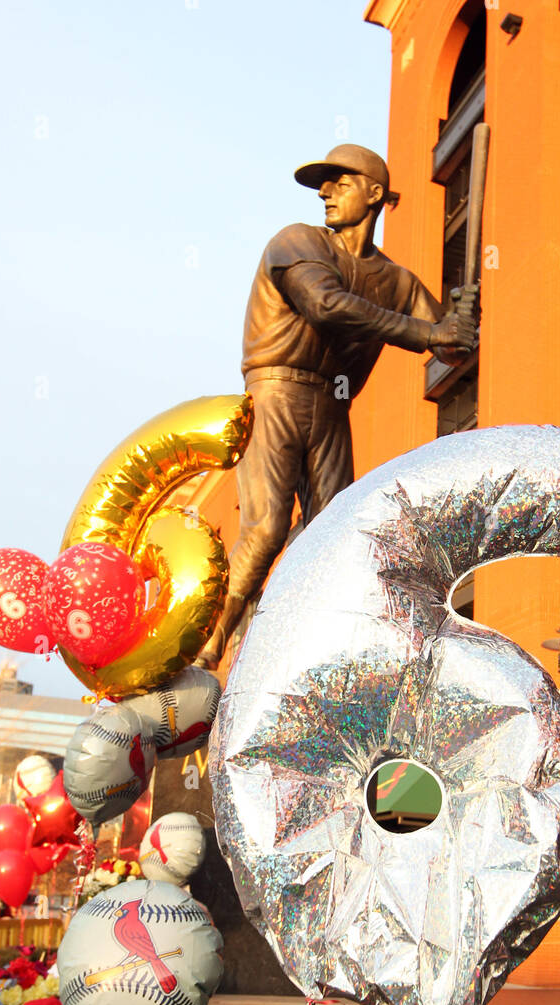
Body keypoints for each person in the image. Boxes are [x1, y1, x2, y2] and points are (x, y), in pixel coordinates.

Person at [194, 143, 480, 669]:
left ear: (374, 194)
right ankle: (208, 648)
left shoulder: (396, 281)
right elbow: (325, 304)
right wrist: (432, 332)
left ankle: (306, 644)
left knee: (334, 533)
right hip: (276, 390)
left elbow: (449, 345)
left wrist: (463, 323)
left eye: (340, 183)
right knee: (266, 529)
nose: (325, 193)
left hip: (333, 404)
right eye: (324, 185)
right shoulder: (296, 241)